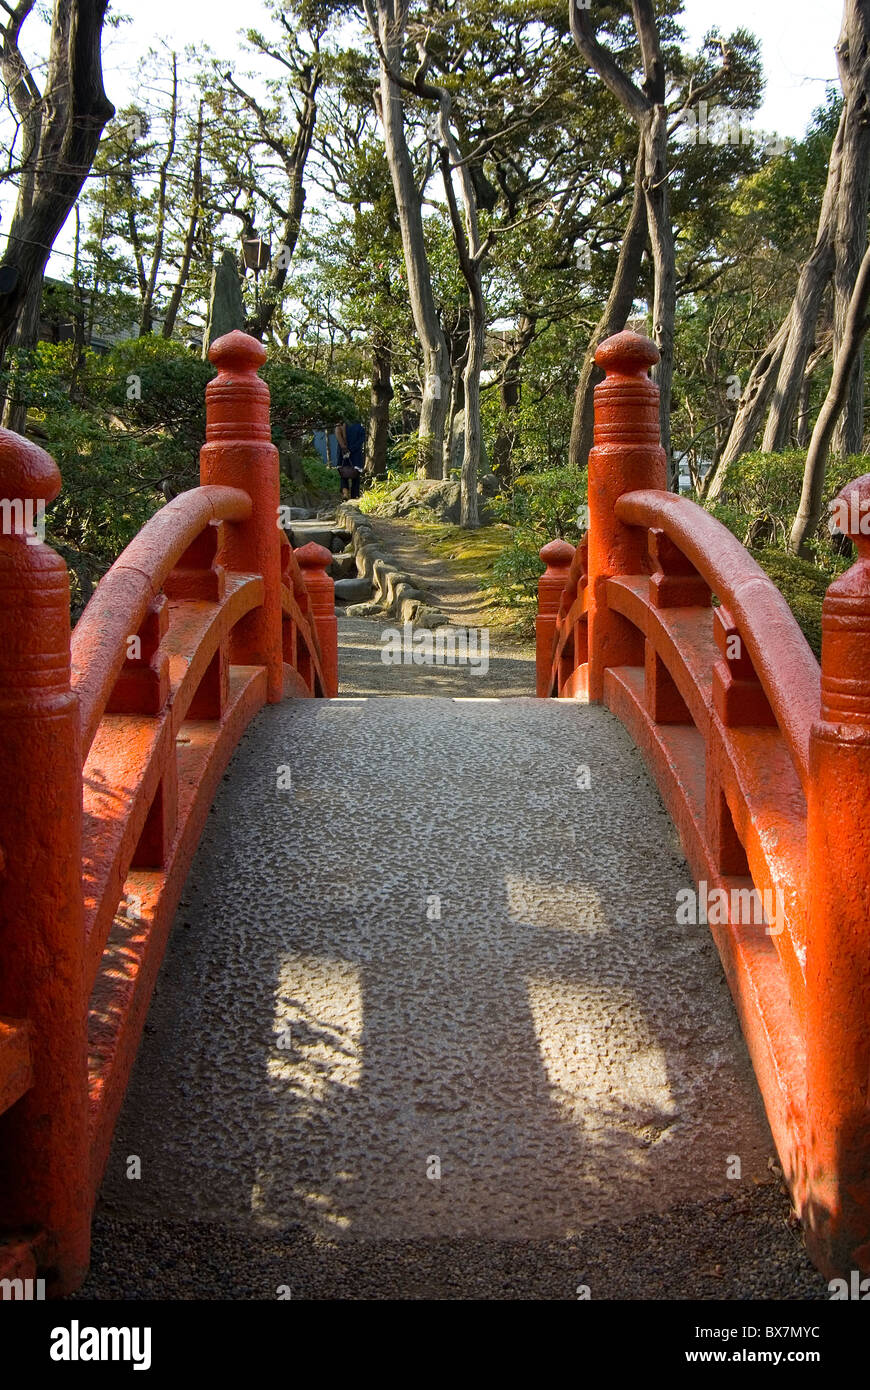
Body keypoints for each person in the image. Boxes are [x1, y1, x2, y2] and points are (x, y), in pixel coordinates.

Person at [334, 418, 366, 500]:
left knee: (343, 475)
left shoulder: (340, 425)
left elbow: (338, 437)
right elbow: (361, 441)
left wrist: (345, 449)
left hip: (343, 454)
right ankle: (355, 496)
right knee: (356, 477)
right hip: (355, 456)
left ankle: (345, 493)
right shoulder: (360, 428)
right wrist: (351, 449)